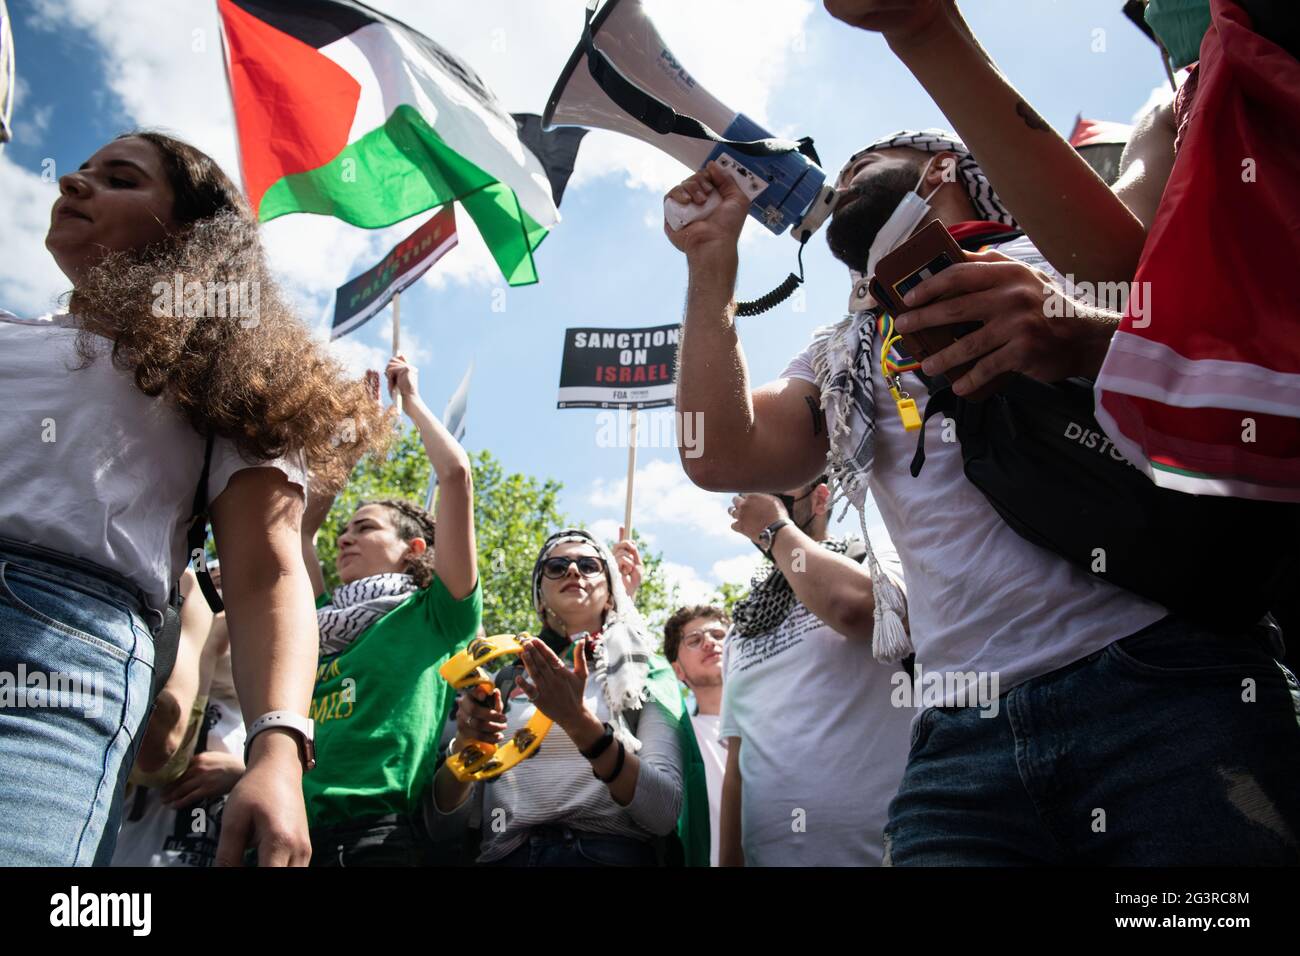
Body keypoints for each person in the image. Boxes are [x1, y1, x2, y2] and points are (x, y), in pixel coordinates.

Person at [664, 131, 1300, 864]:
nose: (843, 178)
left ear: (940, 166)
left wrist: (1081, 324)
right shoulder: (842, 349)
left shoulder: (1063, 252)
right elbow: (716, 452)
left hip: (1164, 685)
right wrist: (712, 265)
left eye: (862, 161)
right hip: (961, 740)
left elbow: (1206, 334)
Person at [0, 130, 385, 866]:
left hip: (51, 654)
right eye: (77, 171)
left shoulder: (222, 376)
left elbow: (267, 573)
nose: (75, 185)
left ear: (191, 234)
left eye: (118, 178)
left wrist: (277, 750)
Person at [428, 529, 710, 866]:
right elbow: (442, 826)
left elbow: (663, 811)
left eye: (590, 564)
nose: (573, 571)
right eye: (557, 566)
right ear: (540, 594)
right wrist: (466, 749)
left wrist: (580, 724)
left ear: (611, 593)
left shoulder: (644, 673)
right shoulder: (502, 682)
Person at [299, 356, 481, 867]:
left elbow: (456, 475)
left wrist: (412, 403)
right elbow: (302, 526)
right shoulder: (316, 616)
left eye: (366, 527)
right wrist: (351, 440)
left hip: (379, 842)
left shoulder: (437, 615)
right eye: (346, 529)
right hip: (288, 834)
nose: (346, 536)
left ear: (416, 548)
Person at [717, 478, 913, 866]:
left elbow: (853, 608)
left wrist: (774, 527)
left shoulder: (875, 560)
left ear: (820, 498)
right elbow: (738, 764)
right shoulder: (741, 629)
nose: (761, 500)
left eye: (777, 493)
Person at [112, 564, 247, 867]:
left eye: (238, 592)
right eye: (214, 587)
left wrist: (246, 774)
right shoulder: (145, 698)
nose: (222, 610)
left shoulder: (268, 721)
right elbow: (155, 761)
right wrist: (206, 645)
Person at [662, 604, 728, 866]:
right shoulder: (676, 735)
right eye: (694, 640)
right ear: (678, 671)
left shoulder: (780, 718)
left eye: (719, 635)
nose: (710, 643)